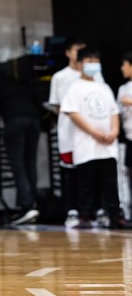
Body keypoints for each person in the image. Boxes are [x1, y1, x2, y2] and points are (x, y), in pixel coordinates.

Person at [61, 47, 128, 229]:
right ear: (80, 65)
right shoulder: (74, 88)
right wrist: (94, 132)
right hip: (87, 143)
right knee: (86, 182)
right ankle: (85, 215)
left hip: (108, 144)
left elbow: (114, 111)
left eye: (96, 62)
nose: (94, 65)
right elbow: (72, 113)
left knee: (110, 182)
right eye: (90, 62)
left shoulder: (103, 87)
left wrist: (114, 131)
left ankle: (115, 215)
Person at [48, 37, 105, 228]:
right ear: (68, 53)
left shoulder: (96, 77)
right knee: (71, 172)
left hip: (93, 132)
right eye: (77, 51)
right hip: (70, 132)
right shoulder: (60, 77)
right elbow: (58, 106)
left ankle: (93, 210)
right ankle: (72, 210)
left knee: (93, 172)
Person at [0, 68, 41, 225]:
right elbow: (38, 102)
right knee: (30, 163)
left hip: (14, 121)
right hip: (34, 121)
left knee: (18, 165)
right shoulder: (24, 83)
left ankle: (27, 205)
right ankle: (32, 204)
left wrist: (2, 109)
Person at [117, 52, 132, 216]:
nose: (122, 68)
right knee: (126, 175)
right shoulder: (123, 89)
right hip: (128, 137)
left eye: (125, 65)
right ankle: (126, 212)